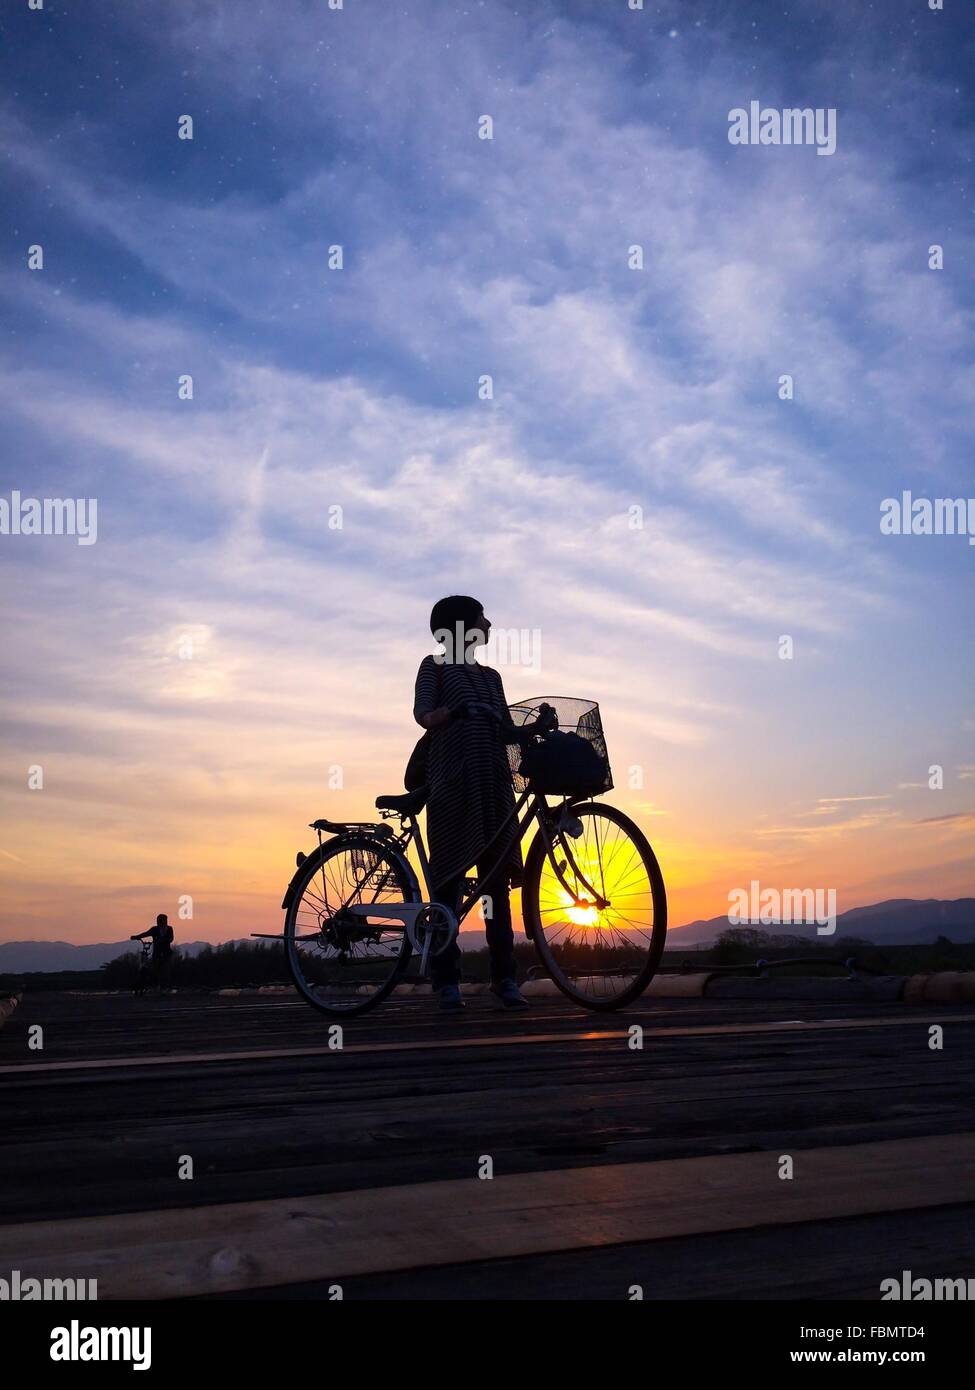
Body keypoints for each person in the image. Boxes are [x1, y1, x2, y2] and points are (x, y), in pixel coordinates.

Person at [413, 596, 541, 1012]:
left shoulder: (492, 676)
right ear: (461, 627)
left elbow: (504, 730)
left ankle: (504, 978)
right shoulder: (434, 667)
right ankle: (445, 979)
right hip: (452, 782)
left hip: (494, 785)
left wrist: (534, 728)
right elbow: (423, 714)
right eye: (481, 617)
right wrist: (453, 712)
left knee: (495, 885)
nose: (489, 623)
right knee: (448, 882)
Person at [131, 913, 175, 993]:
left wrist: (163, 940)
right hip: (157, 952)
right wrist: (137, 937)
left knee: (166, 969)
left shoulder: (169, 929)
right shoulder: (154, 929)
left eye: (164, 920)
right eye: (161, 920)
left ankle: (165, 986)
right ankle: (155, 985)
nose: (163, 922)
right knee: (155, 968)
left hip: (166, 952)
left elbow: (171, 938)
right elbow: (146, 933)